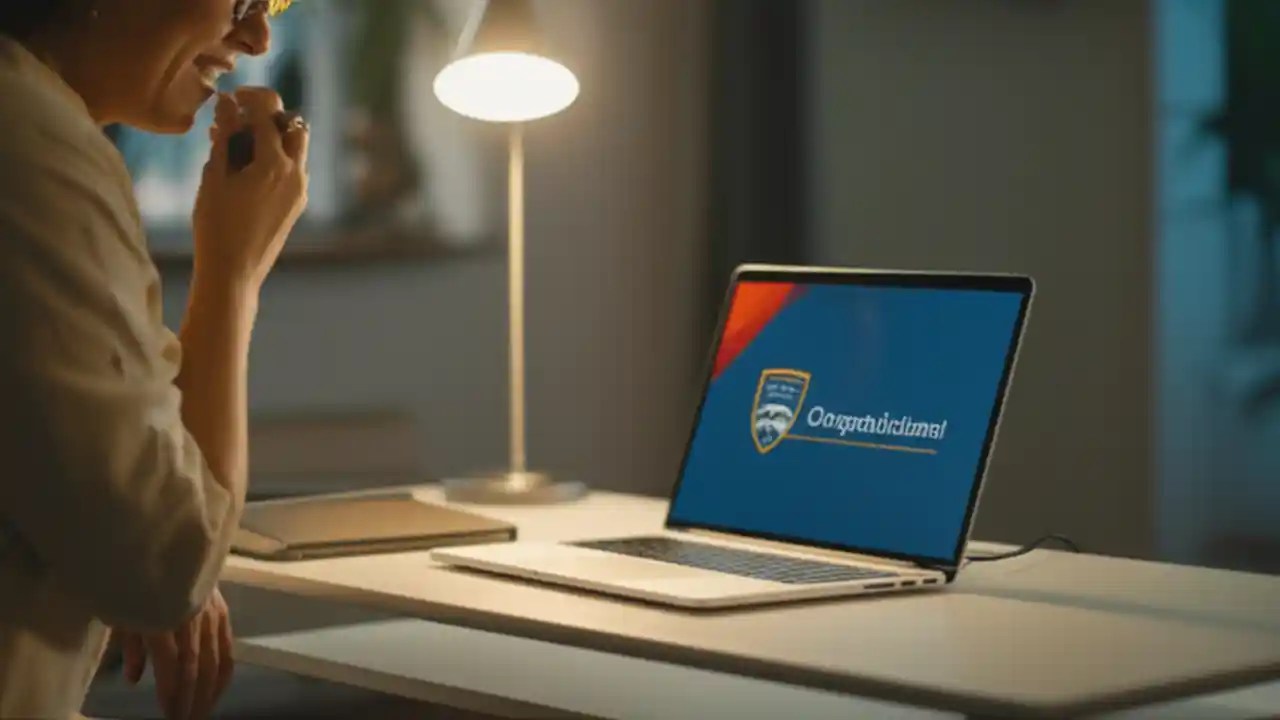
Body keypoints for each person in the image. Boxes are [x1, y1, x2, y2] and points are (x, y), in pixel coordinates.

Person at [0, 0, 308, 717]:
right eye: (244, 0)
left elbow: (128, 482)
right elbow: (166, 563)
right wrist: (232, 276)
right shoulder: (31, 147)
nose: (259, 35)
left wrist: (154, 532)